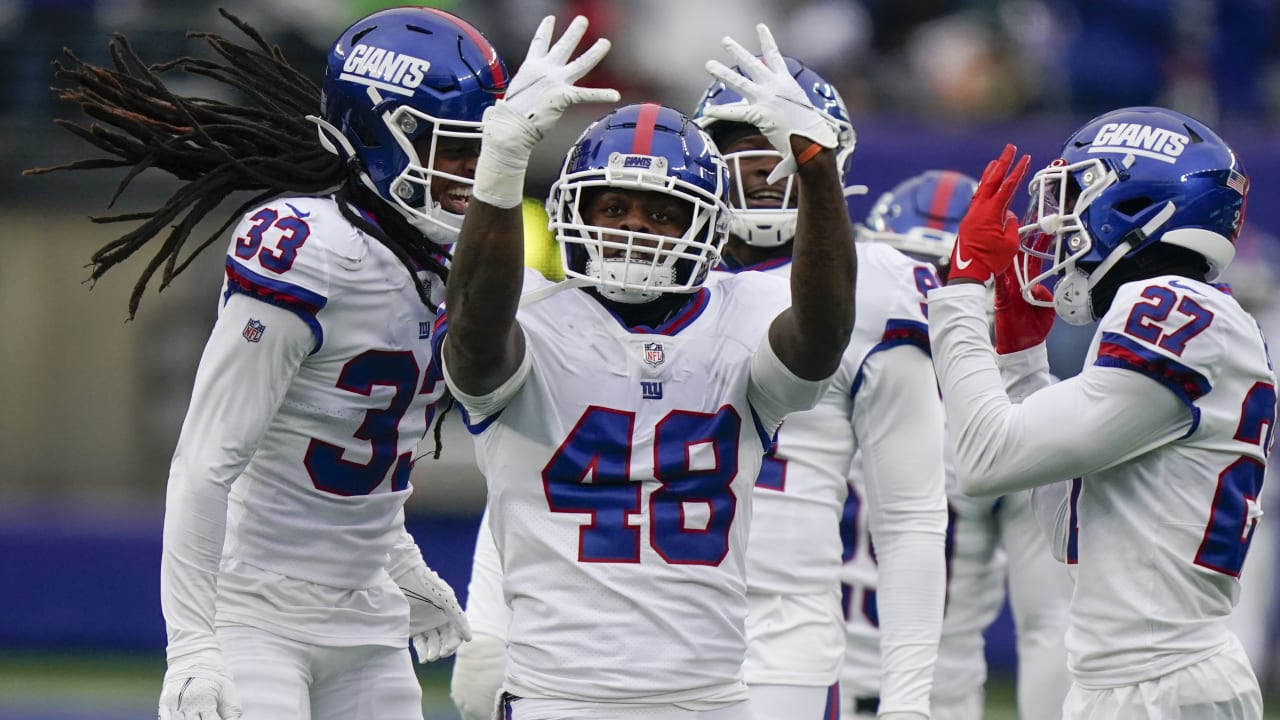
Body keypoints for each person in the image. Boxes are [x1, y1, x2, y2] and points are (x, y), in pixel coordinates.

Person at [28, 7, 509, 719]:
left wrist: (400, 565)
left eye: (483, 152)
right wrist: (192, 645)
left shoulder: (444, 262)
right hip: (256, 613)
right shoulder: (309, 249)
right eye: (457, 149)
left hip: (369, 618)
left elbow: (361, 450)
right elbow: (206, 459)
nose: (475, 174)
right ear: (381, 134)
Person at [440, 15, 856, 720]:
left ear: (704, 222)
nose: (634, 225)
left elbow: (820, 338)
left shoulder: (745, 311)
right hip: (558, 695)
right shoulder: (531, 318)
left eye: (662, 212)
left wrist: (813, 166)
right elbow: (475, 345)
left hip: (708, 697)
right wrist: (502, 163)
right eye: (614, 205)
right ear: (575, 208)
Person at [929, 109, 1273, 718]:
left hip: (1163, 683)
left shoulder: (1169, 308)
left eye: (1075, 195)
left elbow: (984, 460)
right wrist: (1022, 360)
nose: (1055, 224)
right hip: (1136, 680)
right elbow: (1068, 529)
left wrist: (959, 289)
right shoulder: (1184, 318)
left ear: (1139, 207)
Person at [694, 62, 948, 720]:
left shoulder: (878, 286)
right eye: (737, 140)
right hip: (629, 631)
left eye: (781, 139)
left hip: (783, 647)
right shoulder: (649, 277)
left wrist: (909, 702)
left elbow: (912, 518)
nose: (760, 162)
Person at [851, 170, 1072, 719]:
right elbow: (1048, 628)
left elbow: (1049, 621)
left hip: (921, 700)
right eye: (904, 271)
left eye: (946, 279)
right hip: (795, 685)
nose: (922, 296)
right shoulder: (800, 380)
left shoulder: (1000, 420)